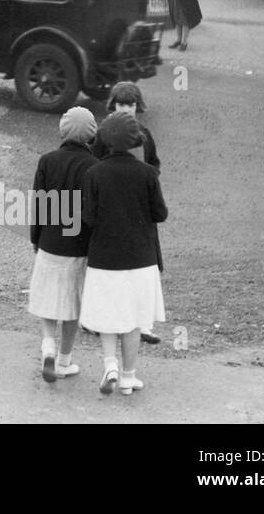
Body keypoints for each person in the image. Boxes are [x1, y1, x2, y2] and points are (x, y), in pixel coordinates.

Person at [80, 111, 168, 397]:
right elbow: (160, 213)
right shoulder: (147, 173)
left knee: (108, 314)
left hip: (105, 257)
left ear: (105, 139)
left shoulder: (93, 173)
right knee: (133, 321)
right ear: (135, 141)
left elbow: (88, 218)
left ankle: (110, 366)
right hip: (141, 259)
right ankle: (129, 377)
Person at [29, 107, 99, 382]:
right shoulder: (94, 167)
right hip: (79, 247)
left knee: (48, 298)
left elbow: (40, 204)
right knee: (72, 304)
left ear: (62, 130)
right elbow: (94, 213)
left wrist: (37, 238)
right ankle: (64, 361)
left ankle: (47, 345)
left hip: (50, 241)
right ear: (91, 134)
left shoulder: (48, 161)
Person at [89, 81, 163, 345]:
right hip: (112, 206)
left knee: (142, 269)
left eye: (130, 105)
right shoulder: (104, 133)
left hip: (139, 206)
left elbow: (154, 163)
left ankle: (142, 324)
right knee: (109, 270)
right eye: (121, 104)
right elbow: (92, 163)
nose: (126, 109)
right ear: (113, 105)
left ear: (137, 106)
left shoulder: (145, 133)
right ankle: (101, 322)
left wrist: (148, 179)